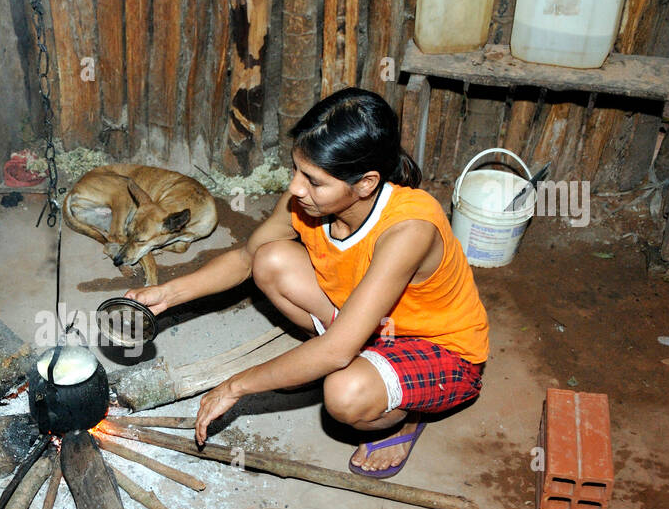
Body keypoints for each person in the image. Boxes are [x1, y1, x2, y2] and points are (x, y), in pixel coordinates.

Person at [124, 88, 489, 479]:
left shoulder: (409, 229)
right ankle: (354, 361)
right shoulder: (309, 197)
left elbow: (334, 352)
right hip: (368, 325)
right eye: (297, 171)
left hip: (443, 351)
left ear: (366, 183)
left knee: (344, 393)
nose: (296, 188)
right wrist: (169, 293)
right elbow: (248, 257)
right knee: (270, 259)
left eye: (314, 180)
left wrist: (235, 387)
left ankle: (404, 419)